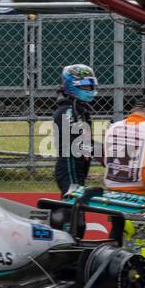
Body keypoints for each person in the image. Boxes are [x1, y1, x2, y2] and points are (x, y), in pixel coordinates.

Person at [53, 64, 98, 194]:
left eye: (90, 85)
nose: (89, 89)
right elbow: (77, 144)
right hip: (69, 167)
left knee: (76, 207)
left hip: (79, 167)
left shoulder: (80, 110)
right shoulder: (67, 111)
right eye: (84, 86)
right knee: (73, 205)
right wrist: (105, 151)